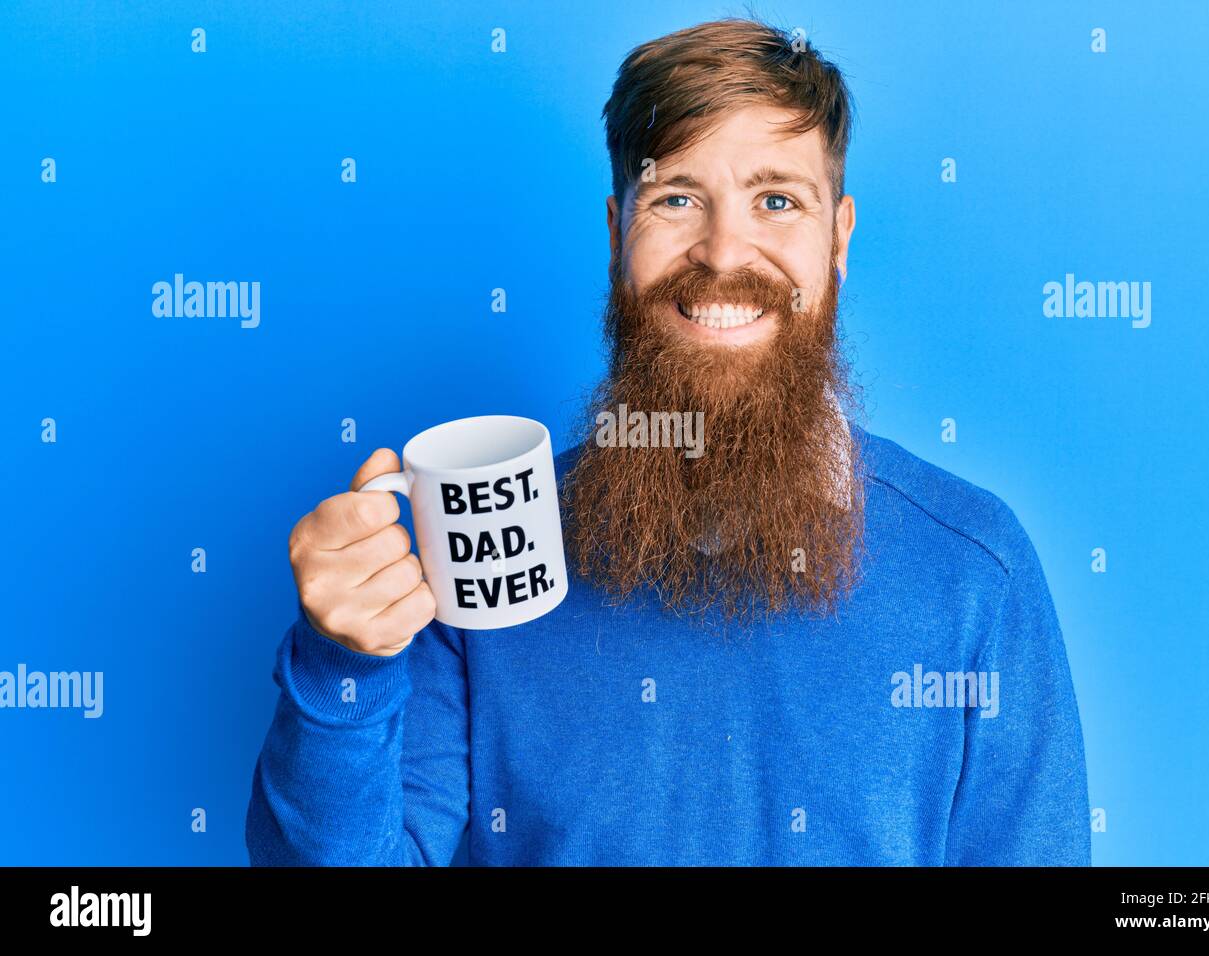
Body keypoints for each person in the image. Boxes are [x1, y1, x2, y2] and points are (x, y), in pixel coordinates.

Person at [245, 17, 1090, 866]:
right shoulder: (484, 551)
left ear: (838, 240)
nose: (724, 253)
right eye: (676, 198)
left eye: (777, 201)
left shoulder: (975, 574)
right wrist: (340, 664)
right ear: (618, 235)